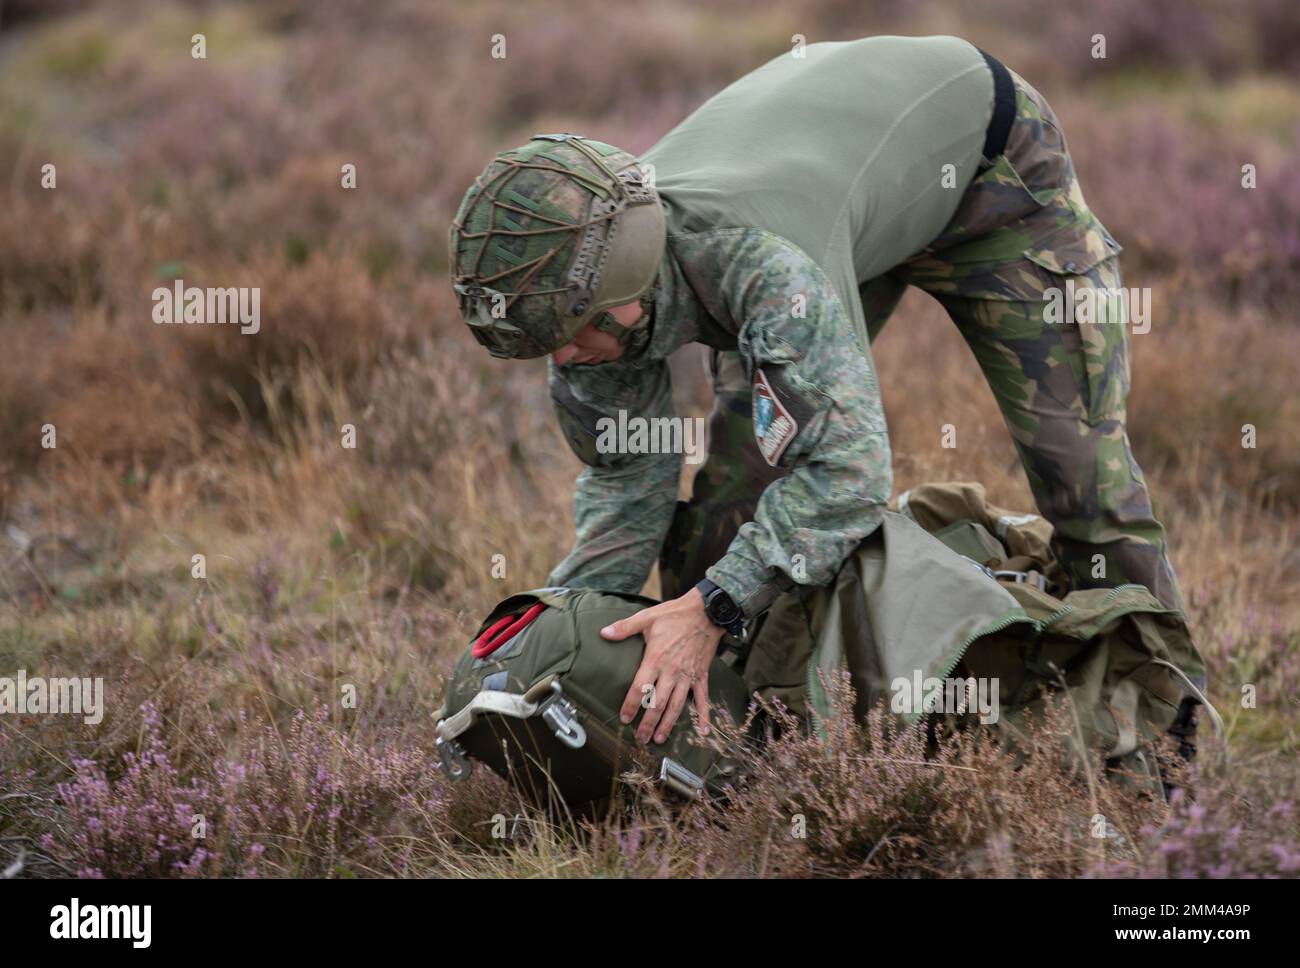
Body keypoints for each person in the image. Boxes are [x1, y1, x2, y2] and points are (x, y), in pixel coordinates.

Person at [448, 35, 1191, 749]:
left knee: (1080, 471)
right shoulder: (577, 296)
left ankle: (1166, 727)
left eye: (577, 336)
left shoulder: (760, 270)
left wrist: (712, 607)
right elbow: (625, 488)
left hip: (989, 164)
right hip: (835, 188)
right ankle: (734, 729)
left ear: (628, 289)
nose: (568, 358)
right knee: (735, 494)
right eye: (551, 345)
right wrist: (560, 639)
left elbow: (849, 476)